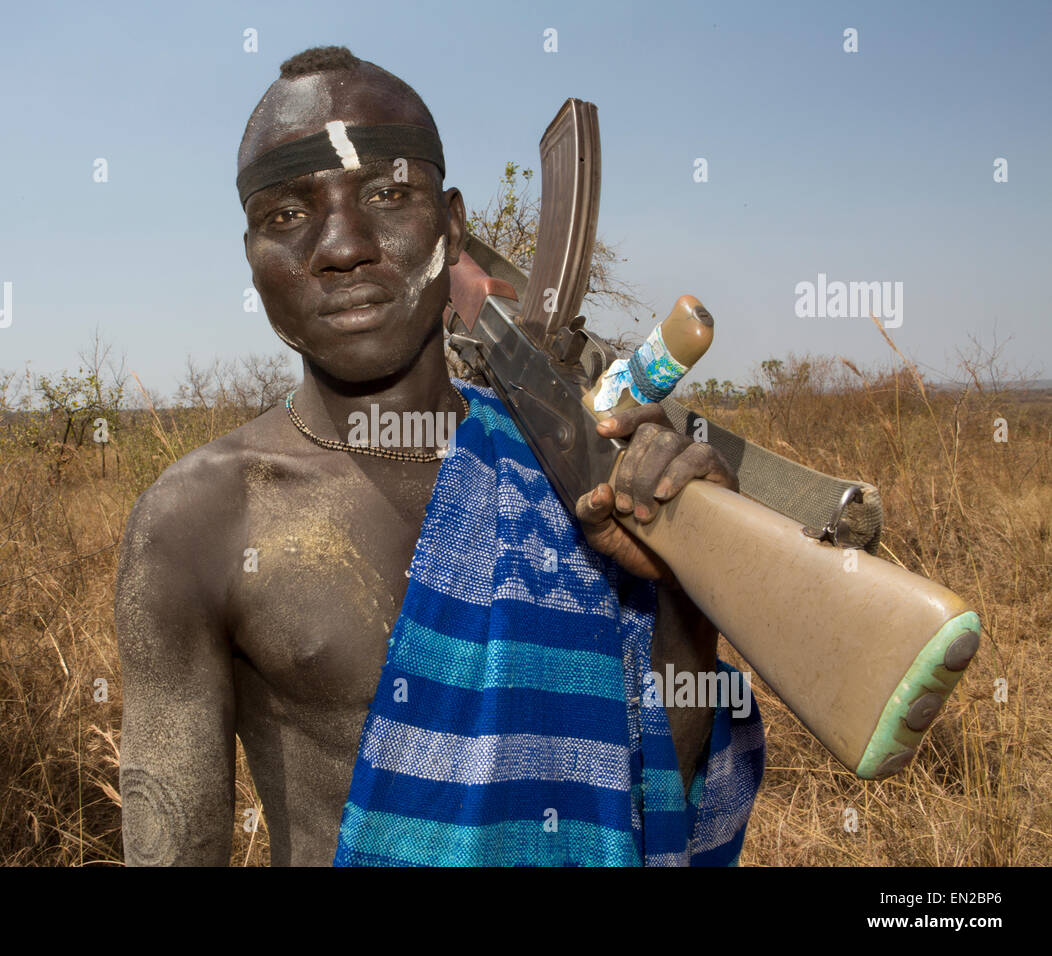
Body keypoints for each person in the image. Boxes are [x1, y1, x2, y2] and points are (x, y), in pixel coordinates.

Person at [116, 45, 762, 867]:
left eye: (388, 194)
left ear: (453, 225)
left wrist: (688, 590)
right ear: (251, 255)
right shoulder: (198, 522)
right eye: (286, 214)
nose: (343, 245)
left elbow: (654, 784)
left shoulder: (566, 472)